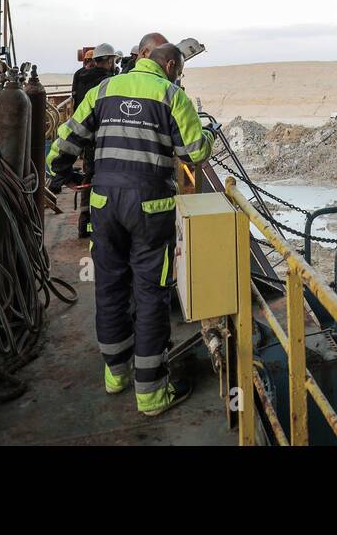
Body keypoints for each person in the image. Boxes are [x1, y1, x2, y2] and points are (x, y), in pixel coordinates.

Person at [46, 42, 213, 417]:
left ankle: (115, 375)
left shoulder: (104, 90)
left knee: (109, 286)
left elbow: (66, 141)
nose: (178, 76)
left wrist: (59, 170)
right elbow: (195, 152)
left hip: (105, 204)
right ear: (170, 65)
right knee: (151, 292)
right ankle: (152, 393)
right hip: (151, 208)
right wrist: (210, 136)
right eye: (179, 70)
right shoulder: (172, 95)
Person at [68, 43, 122, 240]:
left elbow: (76, 104)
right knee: (107, 179)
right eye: (113, 60)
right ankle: (104, 225)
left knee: (88, 176)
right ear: (108, 60)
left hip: (85, 135)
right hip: (104, 139)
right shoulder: (108, 82)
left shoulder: (80, 77)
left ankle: (84, 224)